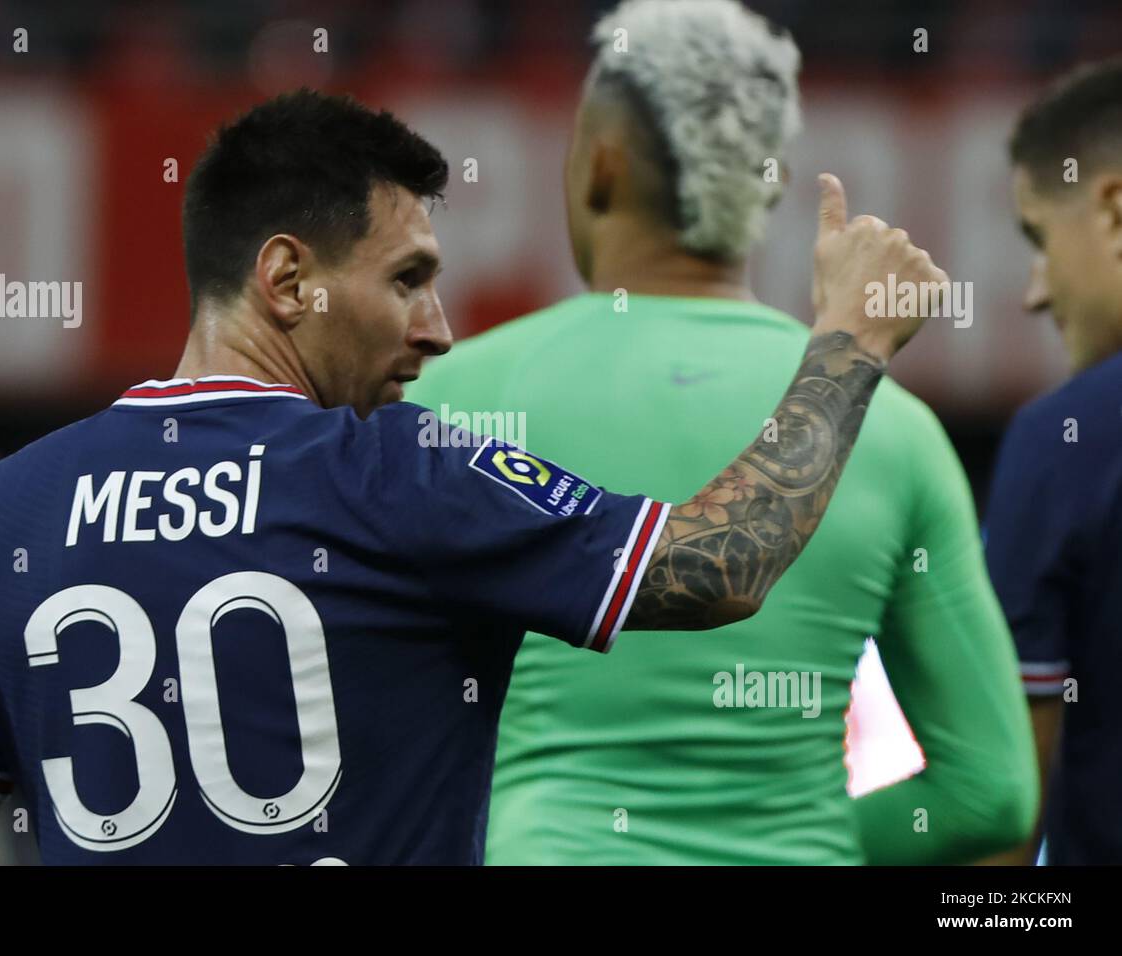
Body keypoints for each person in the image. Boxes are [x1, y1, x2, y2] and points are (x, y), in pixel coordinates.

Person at [0, 87, 937, 865]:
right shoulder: (401, 471)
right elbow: (720, 562)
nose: (435, 330)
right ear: (287, 279)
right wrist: (847, 345)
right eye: (408, 280)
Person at [406, 0, 1035, 865]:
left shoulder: (447, 397)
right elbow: (989, 794)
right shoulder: (892, 424)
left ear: (601, 165)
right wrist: (784, 842)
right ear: (768, 186)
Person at [984, 56, 1122, 865]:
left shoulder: (1063, 442)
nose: (1035, 291)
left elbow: (1004, 807)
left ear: (1112, 209)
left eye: (1039, 238)